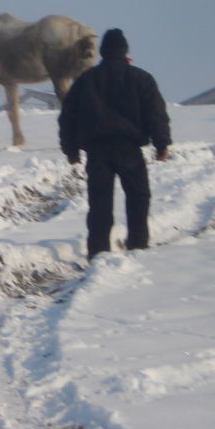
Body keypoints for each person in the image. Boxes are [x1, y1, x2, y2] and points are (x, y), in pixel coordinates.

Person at [58, 28, 171, 260]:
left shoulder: (86, 80)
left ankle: (98, 252)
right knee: (138, 197)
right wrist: (161, 144)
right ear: (125, 51)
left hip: (98, 151)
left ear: (103, 52)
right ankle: (138, 246)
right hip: (130, 149)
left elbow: (68, 116)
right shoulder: (141, 79)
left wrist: (71, 150)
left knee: (100, 202)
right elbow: (155, 113)